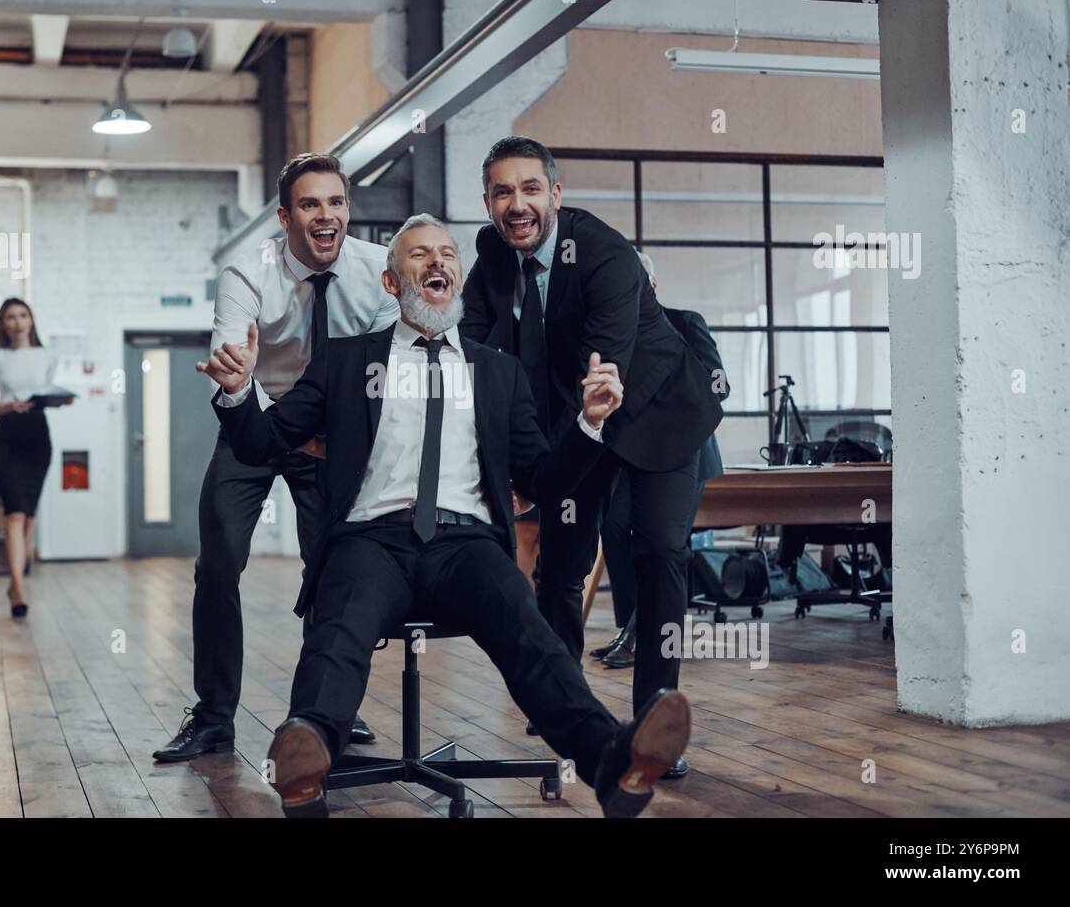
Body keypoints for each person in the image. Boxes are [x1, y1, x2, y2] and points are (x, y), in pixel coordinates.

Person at [204, 213, 691, 818]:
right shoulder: (347, 361)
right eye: (419, 255)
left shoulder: (496, 372)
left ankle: (611, 763)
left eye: (446, 255)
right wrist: (239, 391)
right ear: (390, 283)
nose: (437, 263)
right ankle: (308, 753)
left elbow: (541, 478)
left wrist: (589, 422)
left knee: (525, 622)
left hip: (467, 545)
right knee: (340, 625)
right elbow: (264, 441)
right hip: (371, 540)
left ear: (457, 277)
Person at [460, 137, 723, 768]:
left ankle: (656, 714)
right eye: (502, 192)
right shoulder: (492, 254)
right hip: (579, 418)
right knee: (559, 565)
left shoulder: (605, 254)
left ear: (555, 193)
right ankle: (564, 707)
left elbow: (602, 373)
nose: (516, 204)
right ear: (488, 202)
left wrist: (542, 470)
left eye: (530, 189)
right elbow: (466, 348)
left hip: (650, 410)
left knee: (659, 550)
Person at [153, 153, 399, 763]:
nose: (326, 216)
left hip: (332, 432)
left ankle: (327, 708)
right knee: (217, 564)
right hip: (257, 422)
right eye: (311, 205)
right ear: (285, 217)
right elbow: (230, 368)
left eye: (336, 203)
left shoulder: (379, 270)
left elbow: (387, 371)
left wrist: (336, 433)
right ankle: (213, 717)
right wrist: (238, 382)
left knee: (335, 570)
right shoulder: (247, 271)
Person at [593, 254, 730, 768]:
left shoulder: (684, 321)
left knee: (664, 552)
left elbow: (717, 386)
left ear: (650, 282)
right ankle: (628, 627)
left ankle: (653, 704)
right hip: (614, 458)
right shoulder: (598, 332)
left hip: (678, 456)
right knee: (611, 533)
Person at [0, 298, 71, 617]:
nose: (18, 322)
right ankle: (19, 588)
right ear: (3, 324)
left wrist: (60, 400)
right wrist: (8, 406)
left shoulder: (48, 355)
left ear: (31, 320)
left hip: (37, 434)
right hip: (7, 434)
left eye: (23, 315)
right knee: (15, 514)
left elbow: (45, 392)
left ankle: (16, 579)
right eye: (11, 317)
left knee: (29, 516)